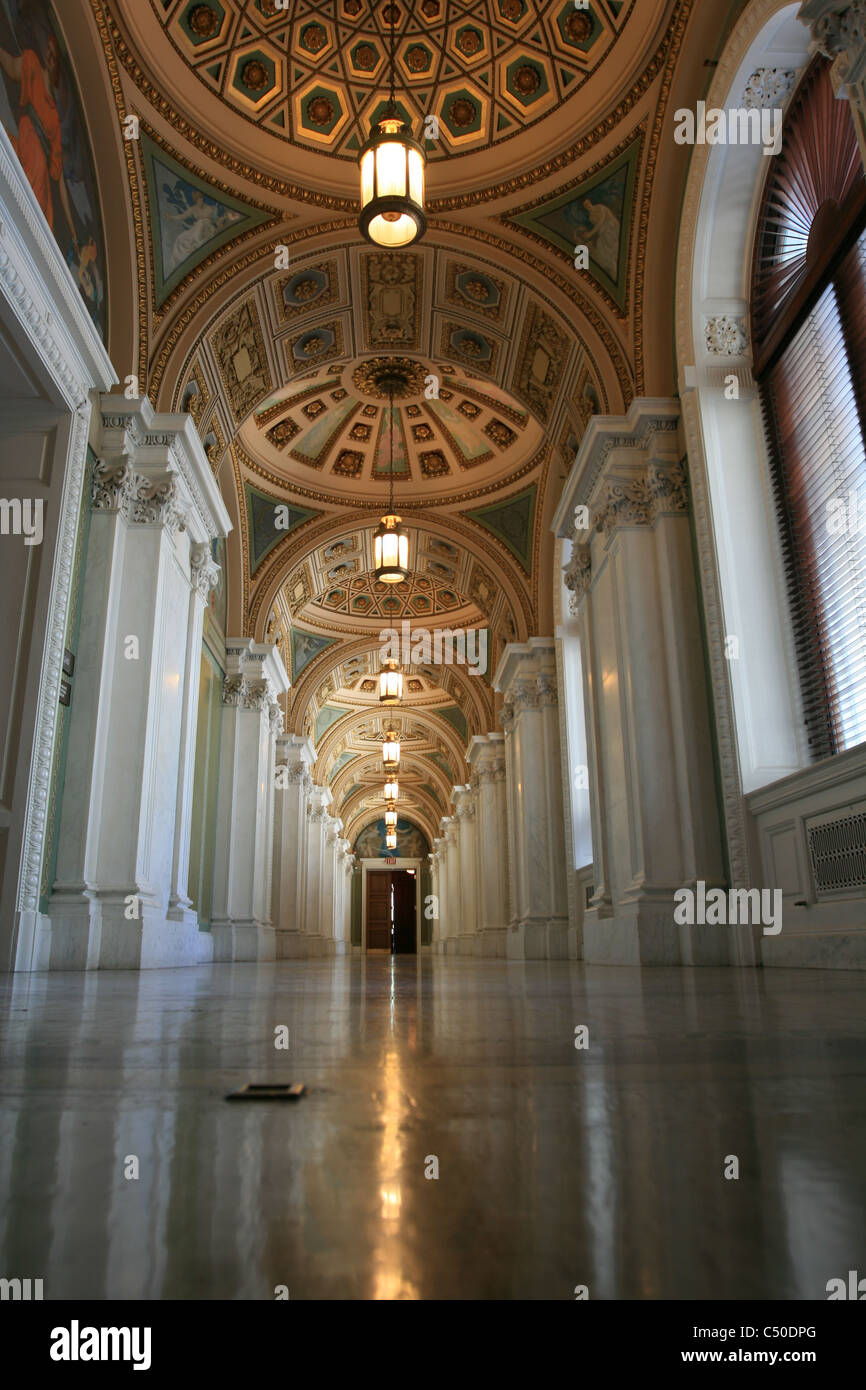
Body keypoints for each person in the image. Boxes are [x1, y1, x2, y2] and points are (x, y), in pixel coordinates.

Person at [0, 32, 79, 254]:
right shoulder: (31, 64)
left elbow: (59, 177)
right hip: (26, 148)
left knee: (33, 230)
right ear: (46, 54)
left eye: (56, 59)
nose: (52, 60)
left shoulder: (55, 115)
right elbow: (10, 66)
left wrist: (73, 232)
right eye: (51, 54)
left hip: (41, 174)